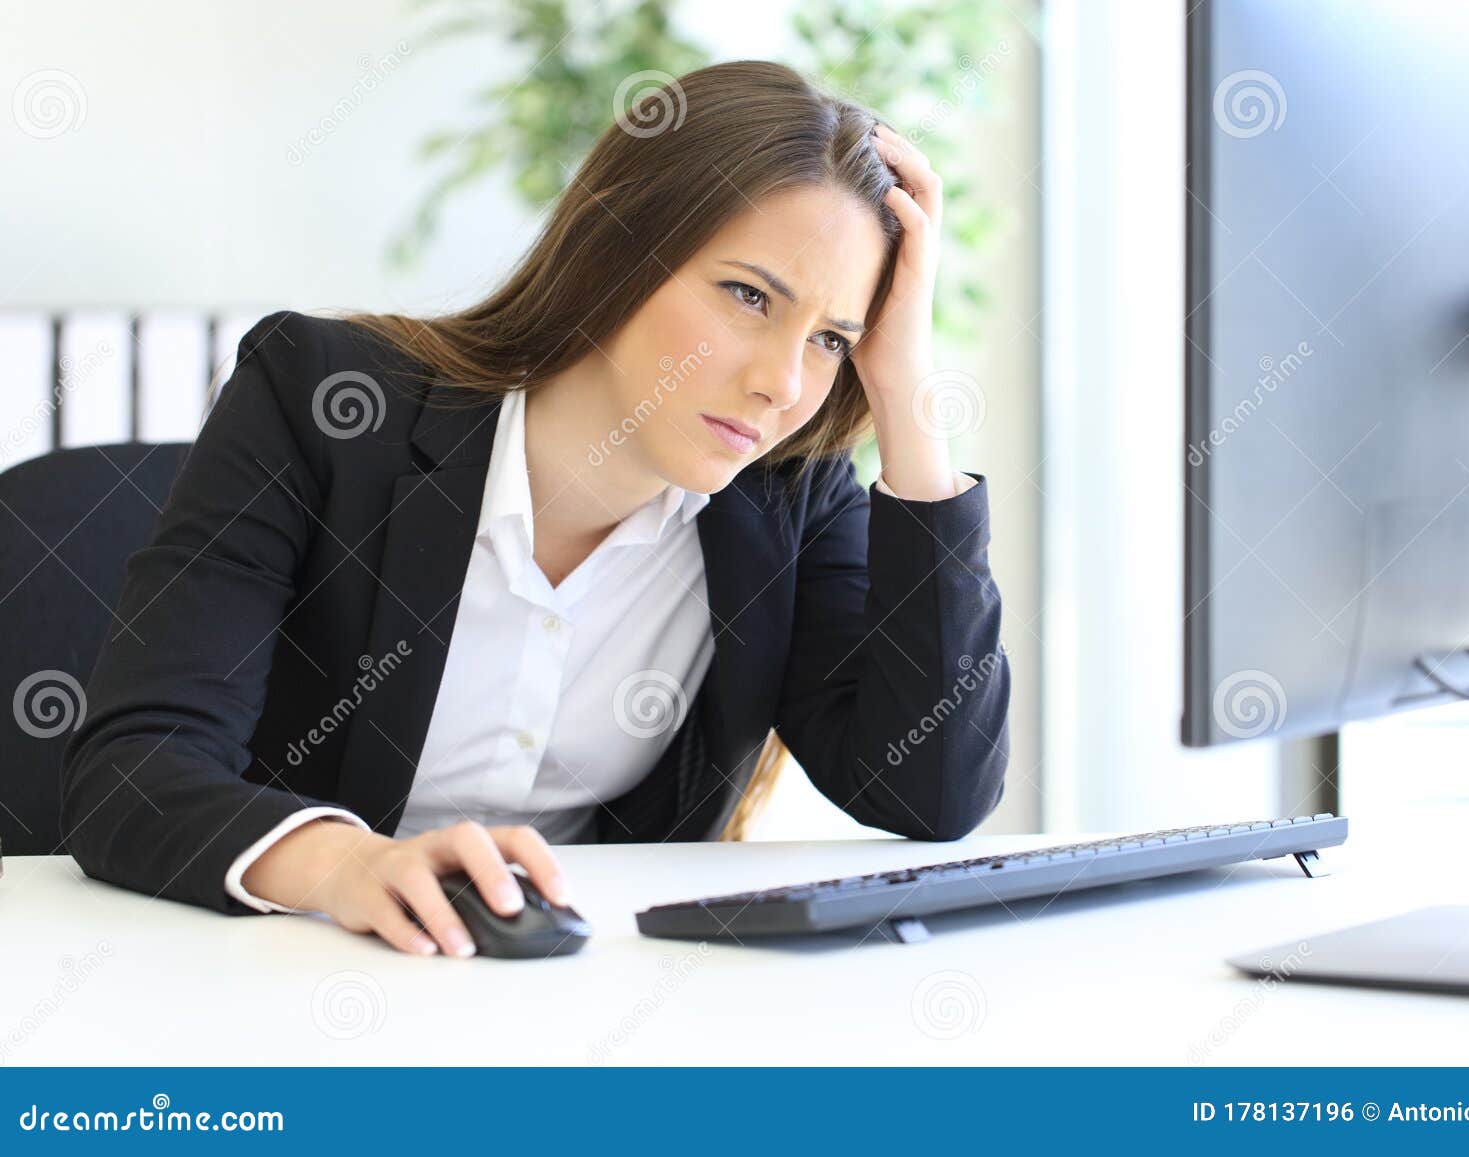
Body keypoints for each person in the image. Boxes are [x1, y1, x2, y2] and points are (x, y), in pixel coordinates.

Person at [60, 59, 1010, 958]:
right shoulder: (322, 399)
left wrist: (908, 399)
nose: (781, 383)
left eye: (834, 339)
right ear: (618, 249)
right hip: (264, 973)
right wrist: (348, 865)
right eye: (747, 295)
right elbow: (133, 769)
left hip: (576, 998)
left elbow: (928, 790)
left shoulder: (788, 498)